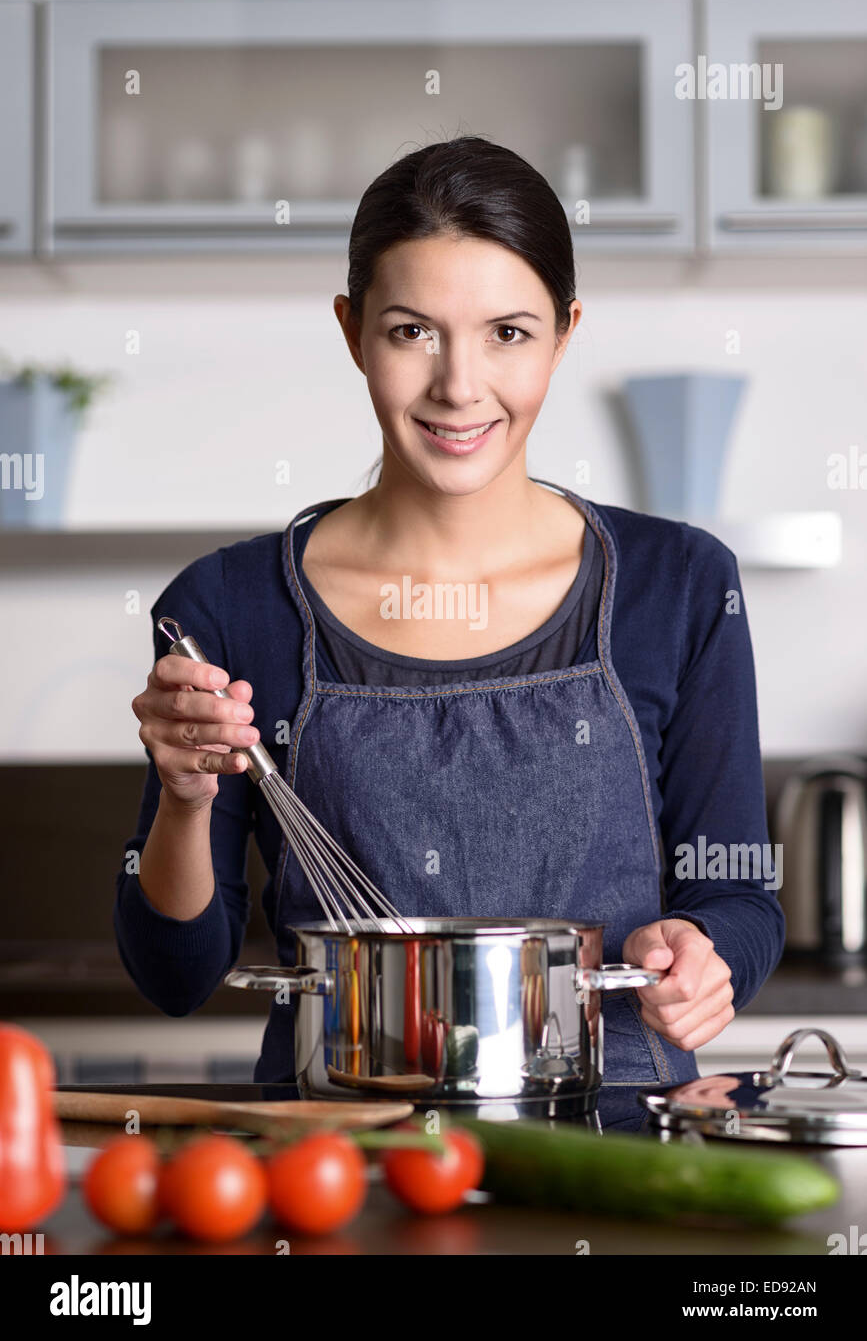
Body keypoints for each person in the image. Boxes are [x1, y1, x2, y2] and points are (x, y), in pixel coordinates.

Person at [116, 135, 784, 1088]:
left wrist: (710, 952)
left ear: (565, 330)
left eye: (507, 332)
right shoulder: (229, 607)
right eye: (411, 331)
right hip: (339, 1165)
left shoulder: (677, 585)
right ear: (353, 332)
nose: (459, 386)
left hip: (617, 1156)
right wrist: (186, 799)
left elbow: (739, 901)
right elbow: (174, 972)